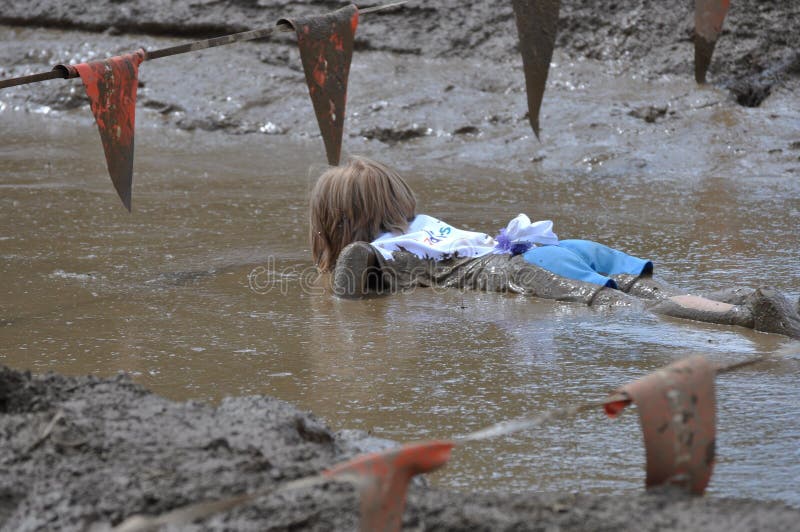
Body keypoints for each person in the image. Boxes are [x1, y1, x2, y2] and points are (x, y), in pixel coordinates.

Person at [309, 156, 800, 339]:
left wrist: (341, 294)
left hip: (512, 271)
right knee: (645, 291)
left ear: (339, 224)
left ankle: (742, 318)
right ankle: (742, 300)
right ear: (400, 200)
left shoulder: (389, 252)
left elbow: (355, 267)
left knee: (624, 308)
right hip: (554, 246)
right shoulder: (427, 226)